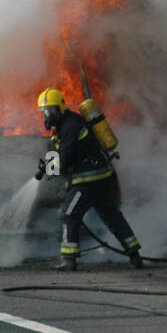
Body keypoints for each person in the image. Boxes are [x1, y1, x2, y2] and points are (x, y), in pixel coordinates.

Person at [35, 88, 143, 271]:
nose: (48, 115)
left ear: (61, 107)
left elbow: (66, 158)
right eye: (45, 111)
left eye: (51, 110)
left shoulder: (70, 125)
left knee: (69, 215)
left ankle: (69, 260)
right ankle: (135, 256)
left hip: (88, 181)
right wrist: (48, 167)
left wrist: (52, 167)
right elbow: (57, 162)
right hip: (102, 179)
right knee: (112, 217)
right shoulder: (62, 128)